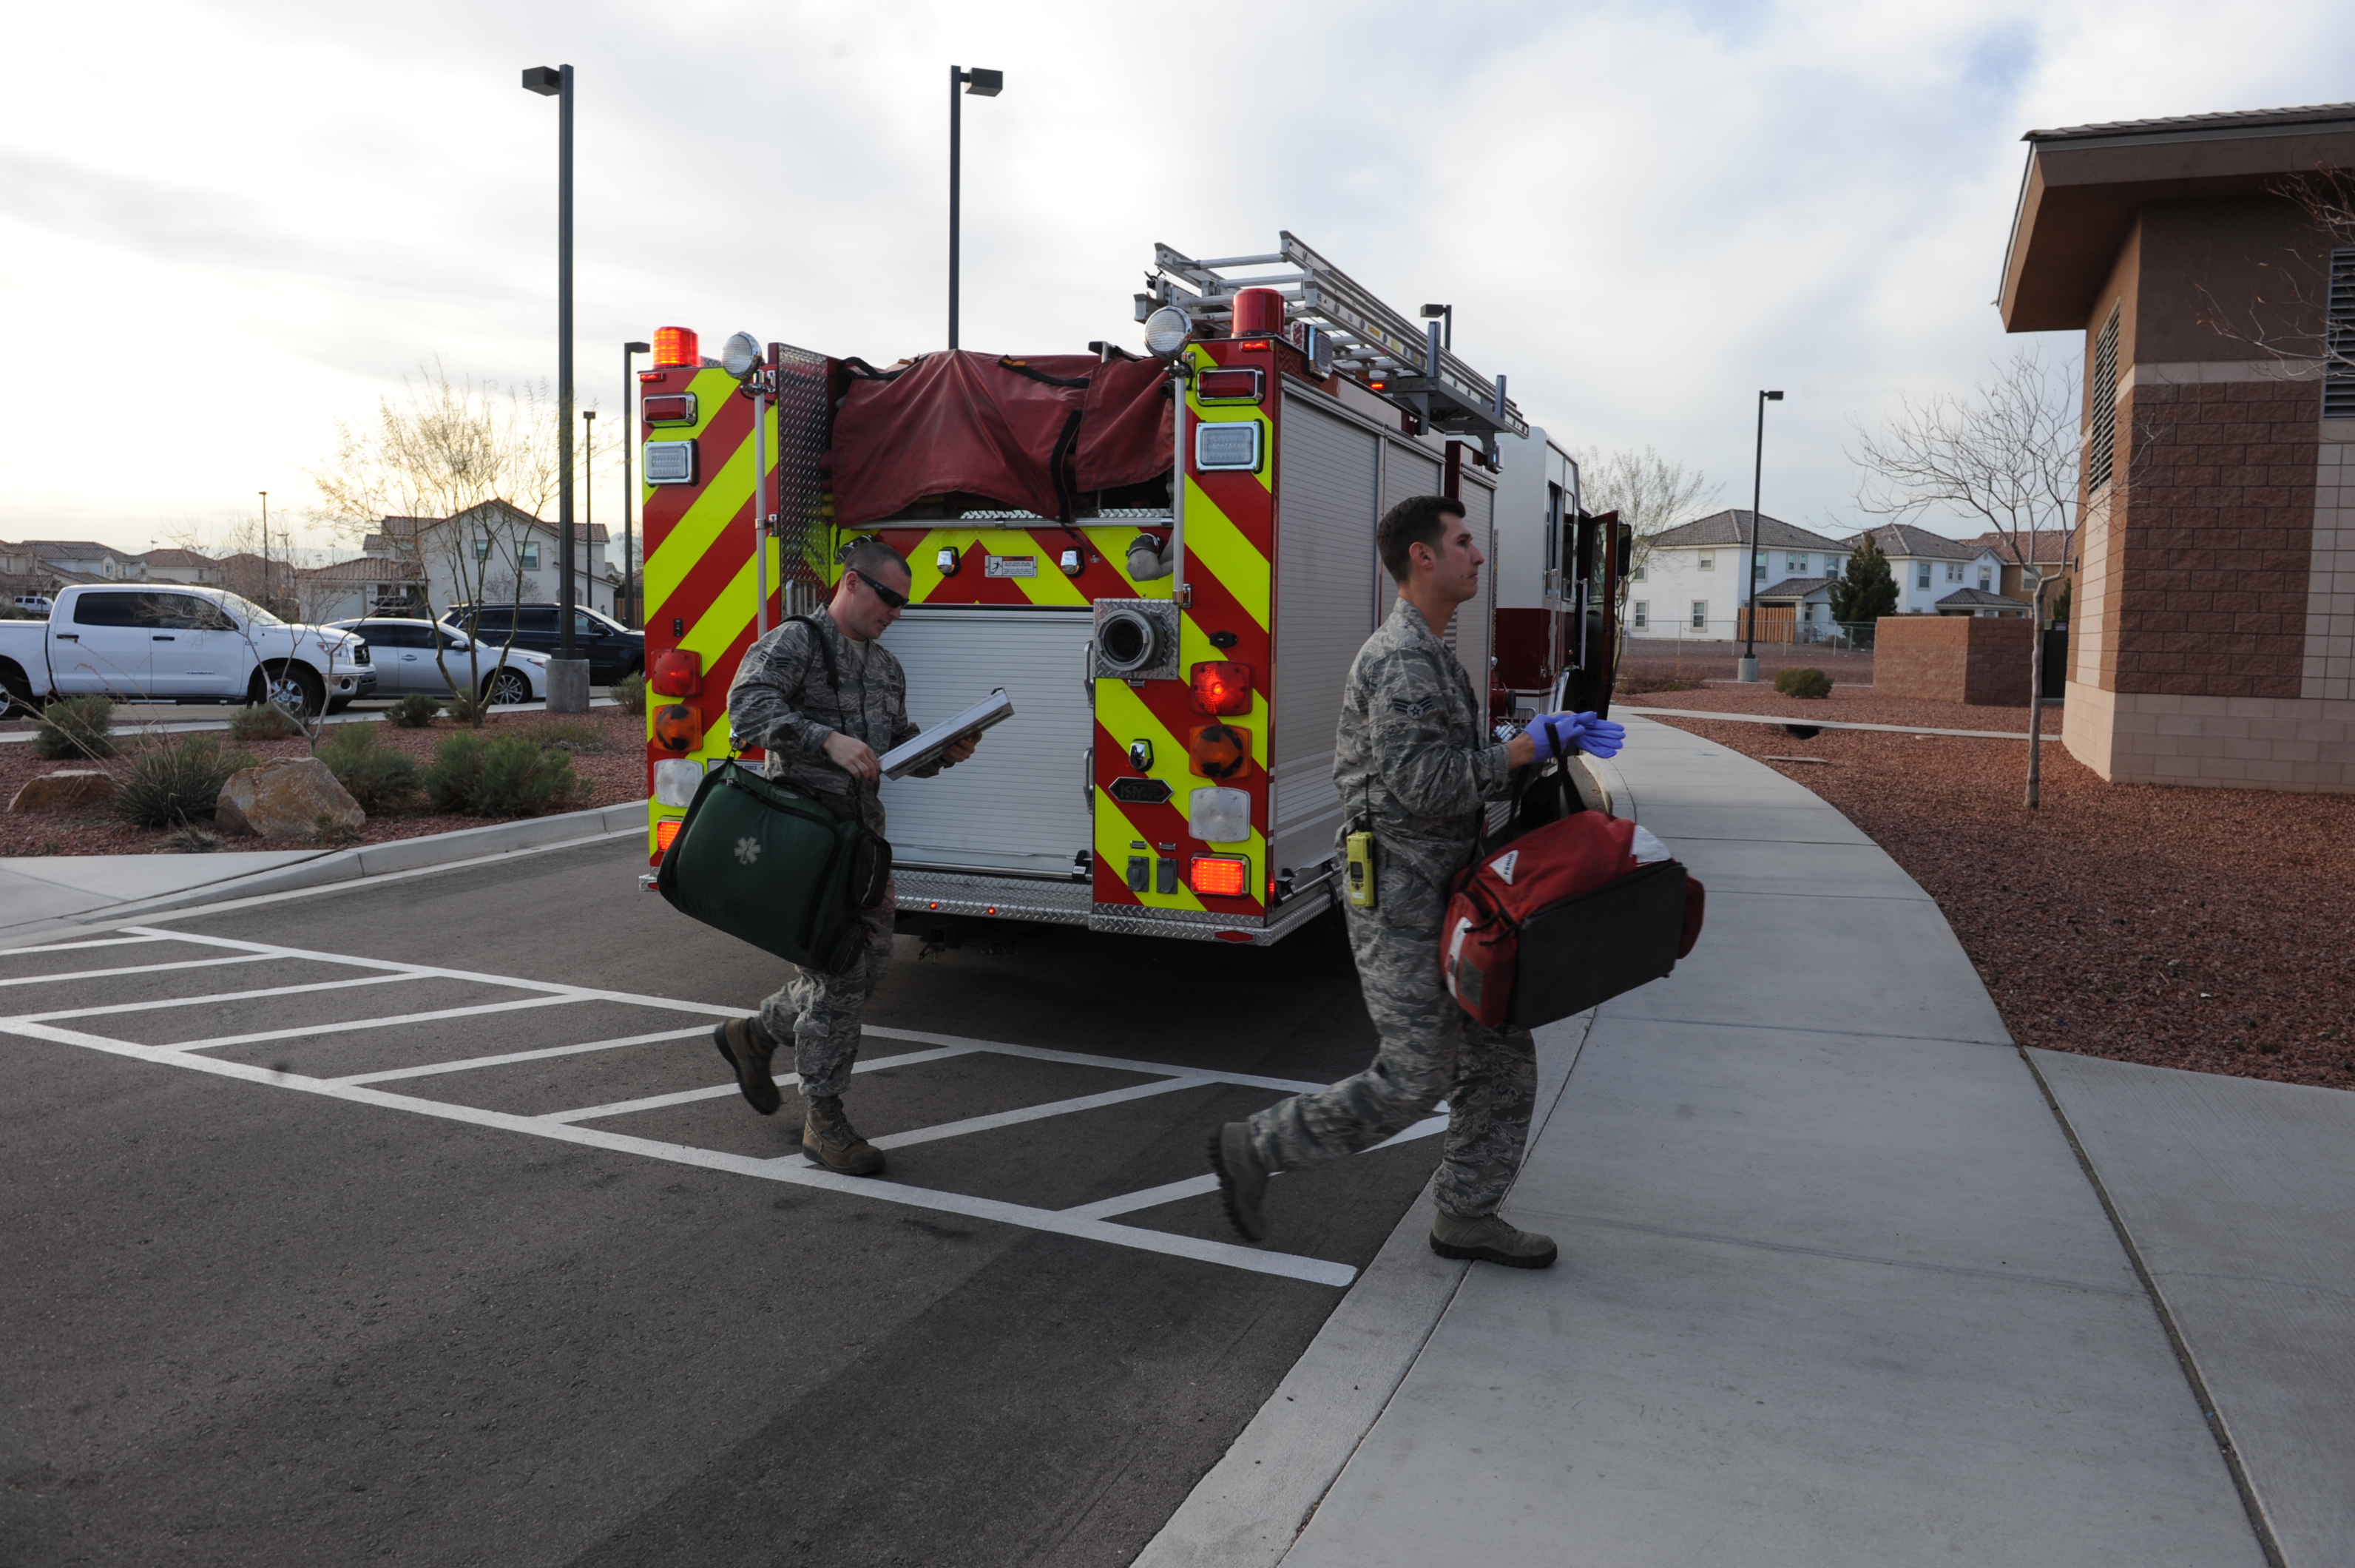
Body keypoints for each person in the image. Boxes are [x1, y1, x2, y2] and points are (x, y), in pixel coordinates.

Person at [1206, 495, 1623, 1268]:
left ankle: (1465, 1214)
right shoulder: (1400, 659)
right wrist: (1524, 750)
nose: (1478, 555)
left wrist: (1533, 743)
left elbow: (1453, 773)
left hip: (1452, 890)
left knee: (1500, 1056)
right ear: (1421, 557)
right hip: (1399, 892)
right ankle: (1251, 1145)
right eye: (1463, 542)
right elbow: (1427, 786)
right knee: (1412, 1075)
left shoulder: (1432, 651)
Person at [711, 538, 980, 1174]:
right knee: (840, 976)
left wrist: (944, 751)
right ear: (852, 584)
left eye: (903, 604)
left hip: (859, 847)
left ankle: (754, 1034)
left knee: (870, 964)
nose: (895, 611)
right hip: (804, 844)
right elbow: (744, 708)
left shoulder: (886, 667)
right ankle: (824, 1121)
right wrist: (823, 739)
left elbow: (894, 750)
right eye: (888, 597)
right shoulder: (795, 642)